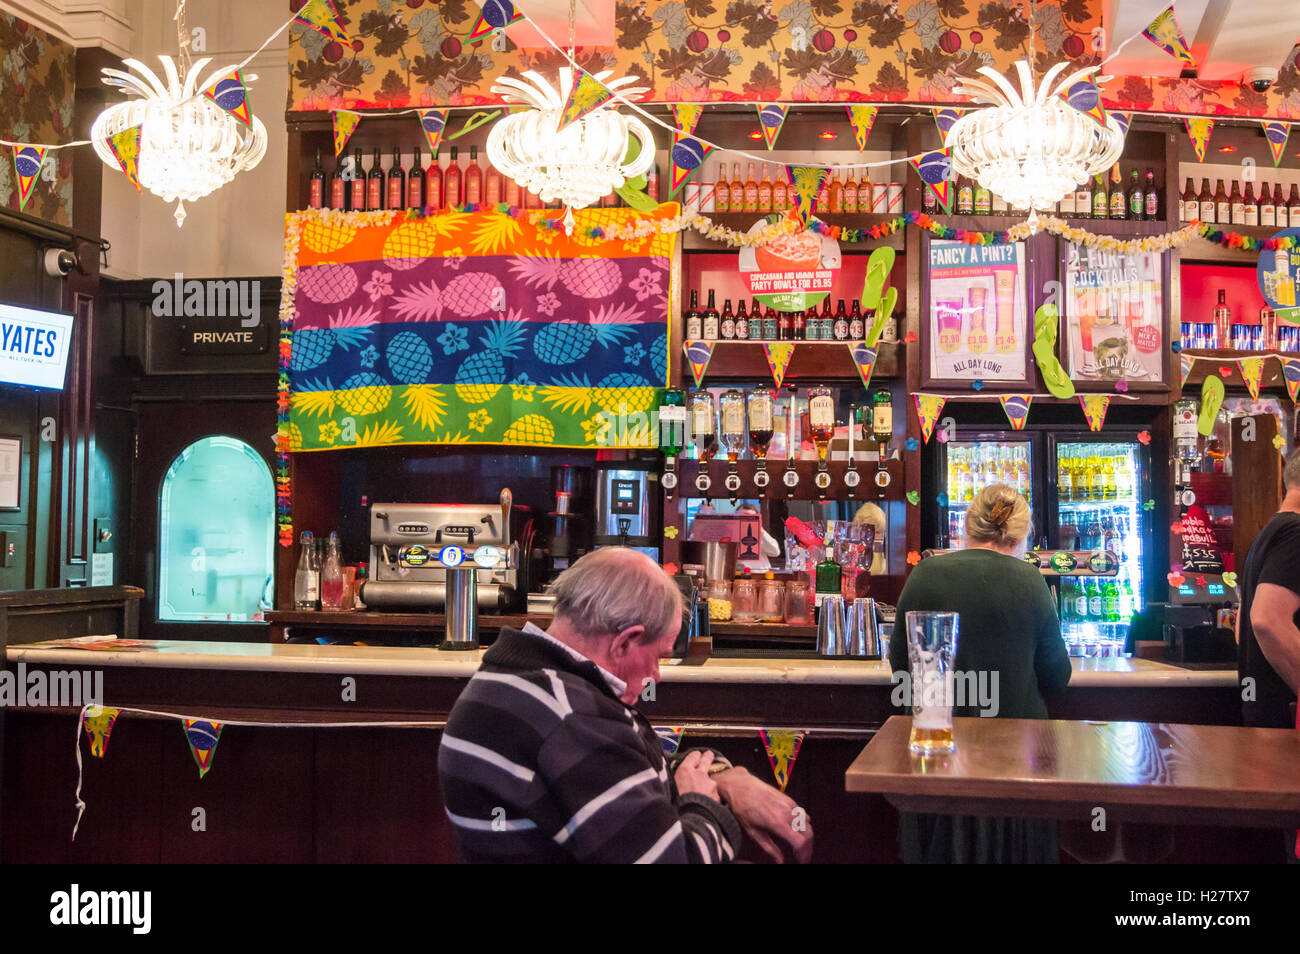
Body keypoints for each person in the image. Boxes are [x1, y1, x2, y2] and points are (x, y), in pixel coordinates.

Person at [438, 546, 814, 863]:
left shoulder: (513, 681)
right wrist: (703, 801)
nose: (656, 676)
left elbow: (624, 774)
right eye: (658, 656)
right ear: (624, 642)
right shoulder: (571, 716)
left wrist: (724, 778)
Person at [888, 483, 1072, 863]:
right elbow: (1057, 675)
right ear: (1021, 535)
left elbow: (901, 668)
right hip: (1016, 769)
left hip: (936, 761)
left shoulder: (924, 574)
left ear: (966, 528)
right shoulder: (1031, 581)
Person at [1236, 450, 1300, 730]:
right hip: (1289, 720)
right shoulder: (1297, 534)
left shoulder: (1267, 534)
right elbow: (1266, 620)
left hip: (1265, 715)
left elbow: (1241, 628)